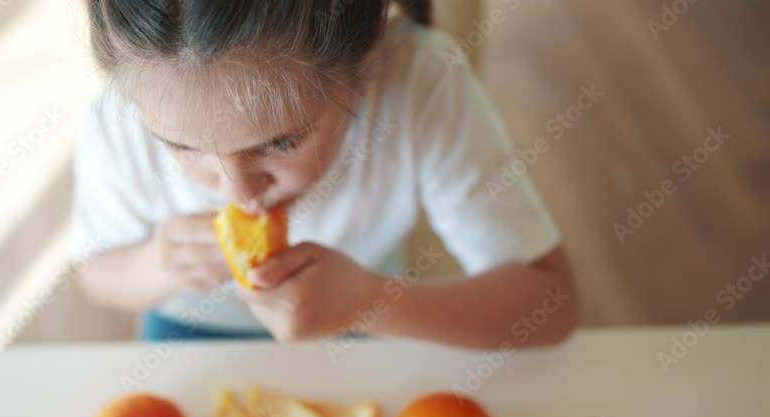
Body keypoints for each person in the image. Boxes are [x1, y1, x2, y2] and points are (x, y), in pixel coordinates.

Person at [72, 0, 578, 348]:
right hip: (191, 322)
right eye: (180, 146)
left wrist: (367, 301)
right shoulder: (118, 116)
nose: (237, 193)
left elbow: (550, 304)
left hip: (363, 306)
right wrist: (159, 266)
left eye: (281, 142)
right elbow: (98, 273)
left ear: (369, 57)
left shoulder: (421, 78)